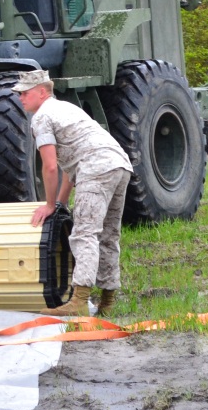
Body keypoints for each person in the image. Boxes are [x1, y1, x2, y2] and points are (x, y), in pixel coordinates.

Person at [11, 69, 132, 317]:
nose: (20, 97)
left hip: (96, 167)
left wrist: (47, 205)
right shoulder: (66, 108)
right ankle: (108, 302)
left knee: (84, 234)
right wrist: (61, 203)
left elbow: (51, 166)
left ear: (42, 92)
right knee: (109, 235)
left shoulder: (42, 117)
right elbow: (69, 167)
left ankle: (78, 302)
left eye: (25, 93)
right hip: (119, 164)